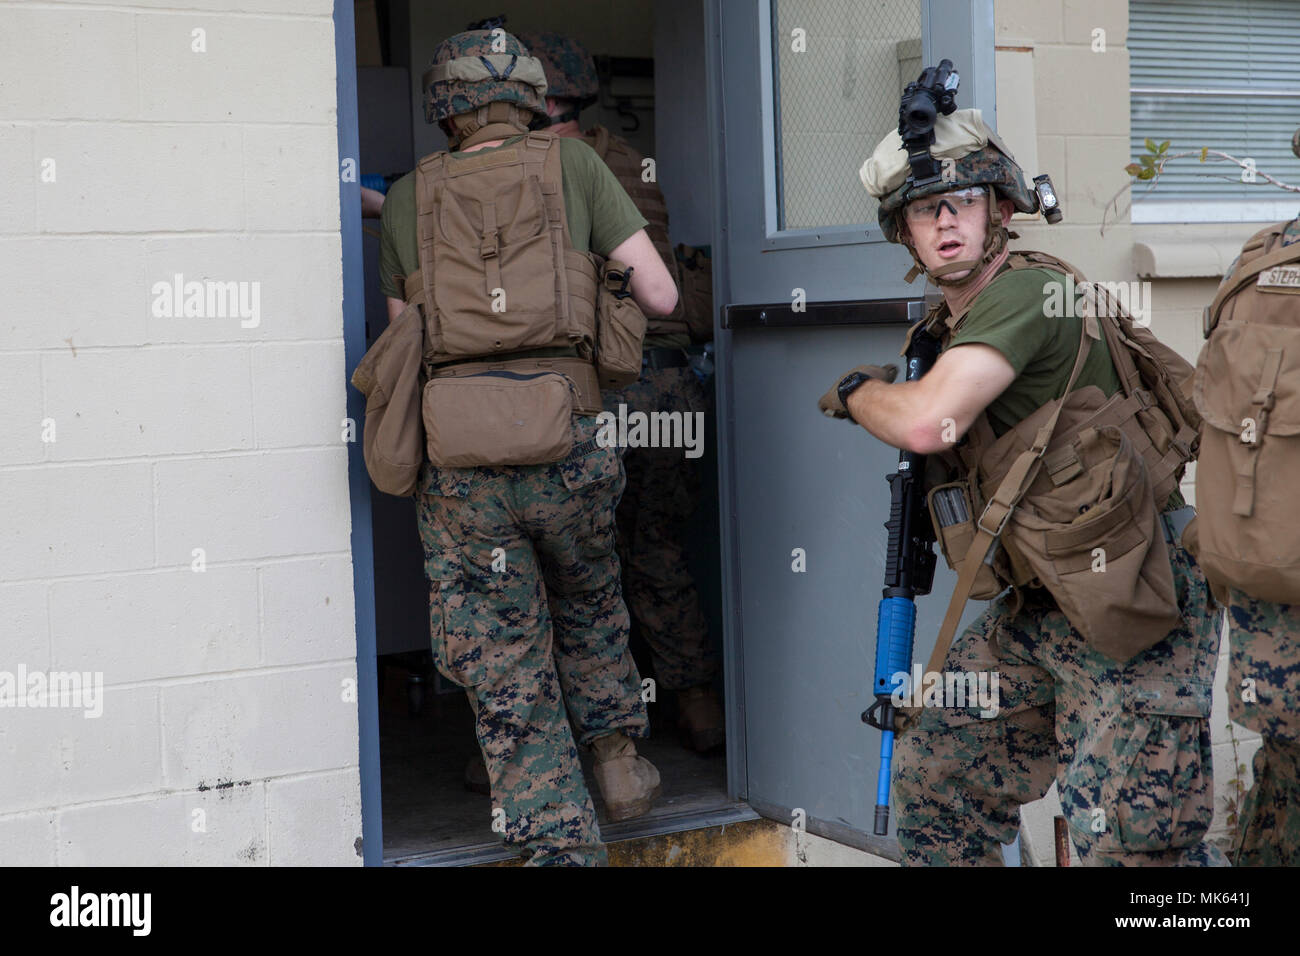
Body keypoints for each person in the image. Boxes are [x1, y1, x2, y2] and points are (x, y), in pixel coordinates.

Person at [819, 101, 1225, 865]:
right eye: (920, 211)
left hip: (1137, 597)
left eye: (960, 202)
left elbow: (927, 424)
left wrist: (856, 393)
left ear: (1000, 209)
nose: (942, 222)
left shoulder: (1025, 294)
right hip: (1045, 605)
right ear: (901, 233)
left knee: (1132, 842)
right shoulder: (949, 325)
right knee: (939, 767)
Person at [376, 28, 677, 866]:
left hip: (462, 462)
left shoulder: (407, 197)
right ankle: (617, 761)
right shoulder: (575, 166)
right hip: (567, 440)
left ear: (446, 105)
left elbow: (407, 340)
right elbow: (659, 290)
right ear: (533, 96)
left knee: (501, 646)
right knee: (587, 597)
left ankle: (553, 837)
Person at [517, 30, 723, 751]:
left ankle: (597, 743)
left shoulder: (546, 165)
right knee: (658, 548)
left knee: (578, 566)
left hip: (603, 388)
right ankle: (697, 705)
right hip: (668, 387)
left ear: (537, 98)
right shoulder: (626, 157)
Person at [1193, 153, 1300, 864]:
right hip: (1267, 567)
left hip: (1263, 572)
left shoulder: (1261, 259)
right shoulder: (1261, 260)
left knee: (1285, 760)